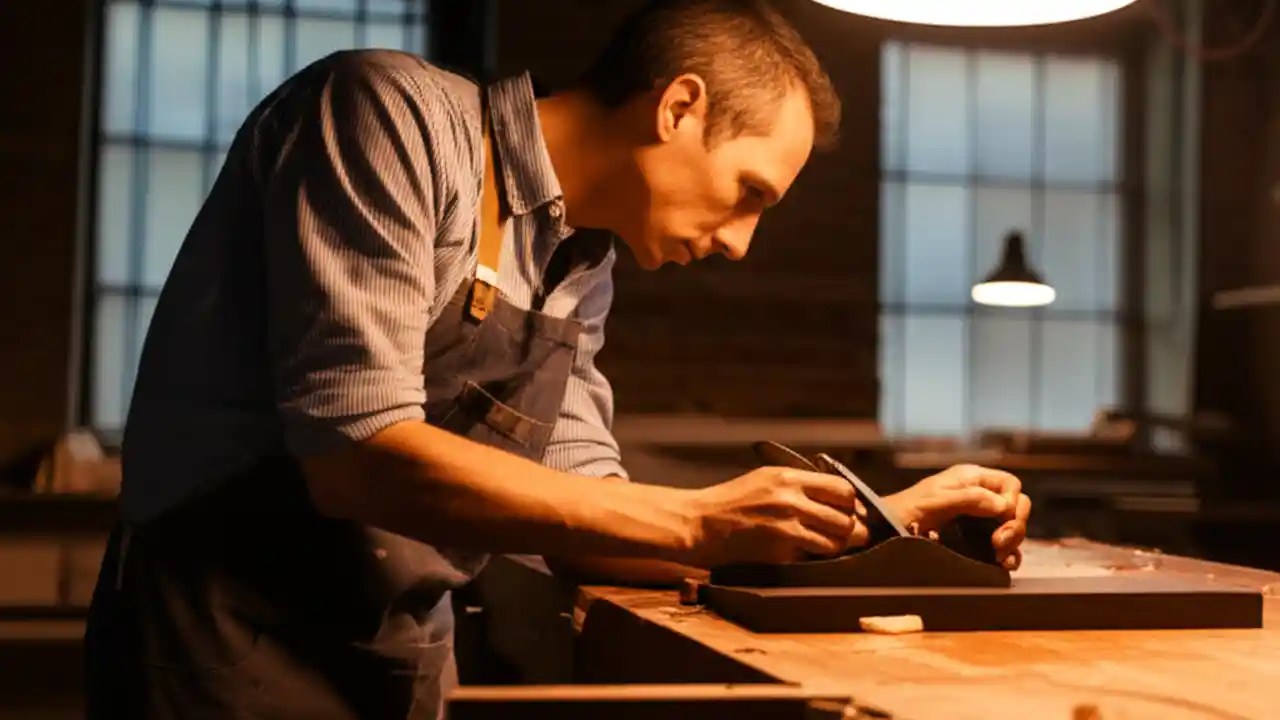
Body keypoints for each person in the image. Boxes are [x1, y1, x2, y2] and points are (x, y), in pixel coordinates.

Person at [84, 1, 1032, 717]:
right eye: (748, 193)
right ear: (680, 107)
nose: (741, 242)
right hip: (225, 642)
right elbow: (355, 450)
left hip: (393, 649)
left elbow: (588, 513)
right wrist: (702, 520)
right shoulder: (392, 119)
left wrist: (870, 531)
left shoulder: (581, 263)